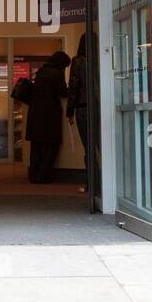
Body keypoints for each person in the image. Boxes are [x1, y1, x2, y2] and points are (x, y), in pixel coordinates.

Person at [26, 50, 70, 184]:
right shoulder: (56, 73)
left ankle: (34, 175)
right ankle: (43, 175)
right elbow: (63, 92)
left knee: (37, 146)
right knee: (51, 146)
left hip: (36, 113)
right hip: (50, 114)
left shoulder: (41, 71)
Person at [66, 33, 99, 194]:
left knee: (89, 148)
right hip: (100, 107)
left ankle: (92, 184)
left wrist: (69, 110)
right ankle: (103, 183)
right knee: (100, 146)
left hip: (84, 108)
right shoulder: (100, 59)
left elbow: (73, 86)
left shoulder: (78, 61)